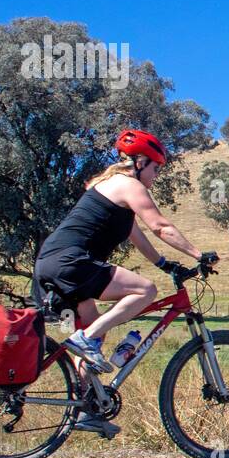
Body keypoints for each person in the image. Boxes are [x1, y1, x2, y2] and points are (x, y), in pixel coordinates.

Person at [32, 129, 213, 383]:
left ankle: (84, 407)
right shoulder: (129, 185)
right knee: (145, 291)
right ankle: (84, 340)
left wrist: (165, 265)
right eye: (155, 168)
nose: (156, 175)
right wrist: (199, 254)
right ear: (140, 162)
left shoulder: (110, 189)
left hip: (51, 262)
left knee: (95, 330)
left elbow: (136, 235)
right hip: (70, 262)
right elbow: (160, 227)